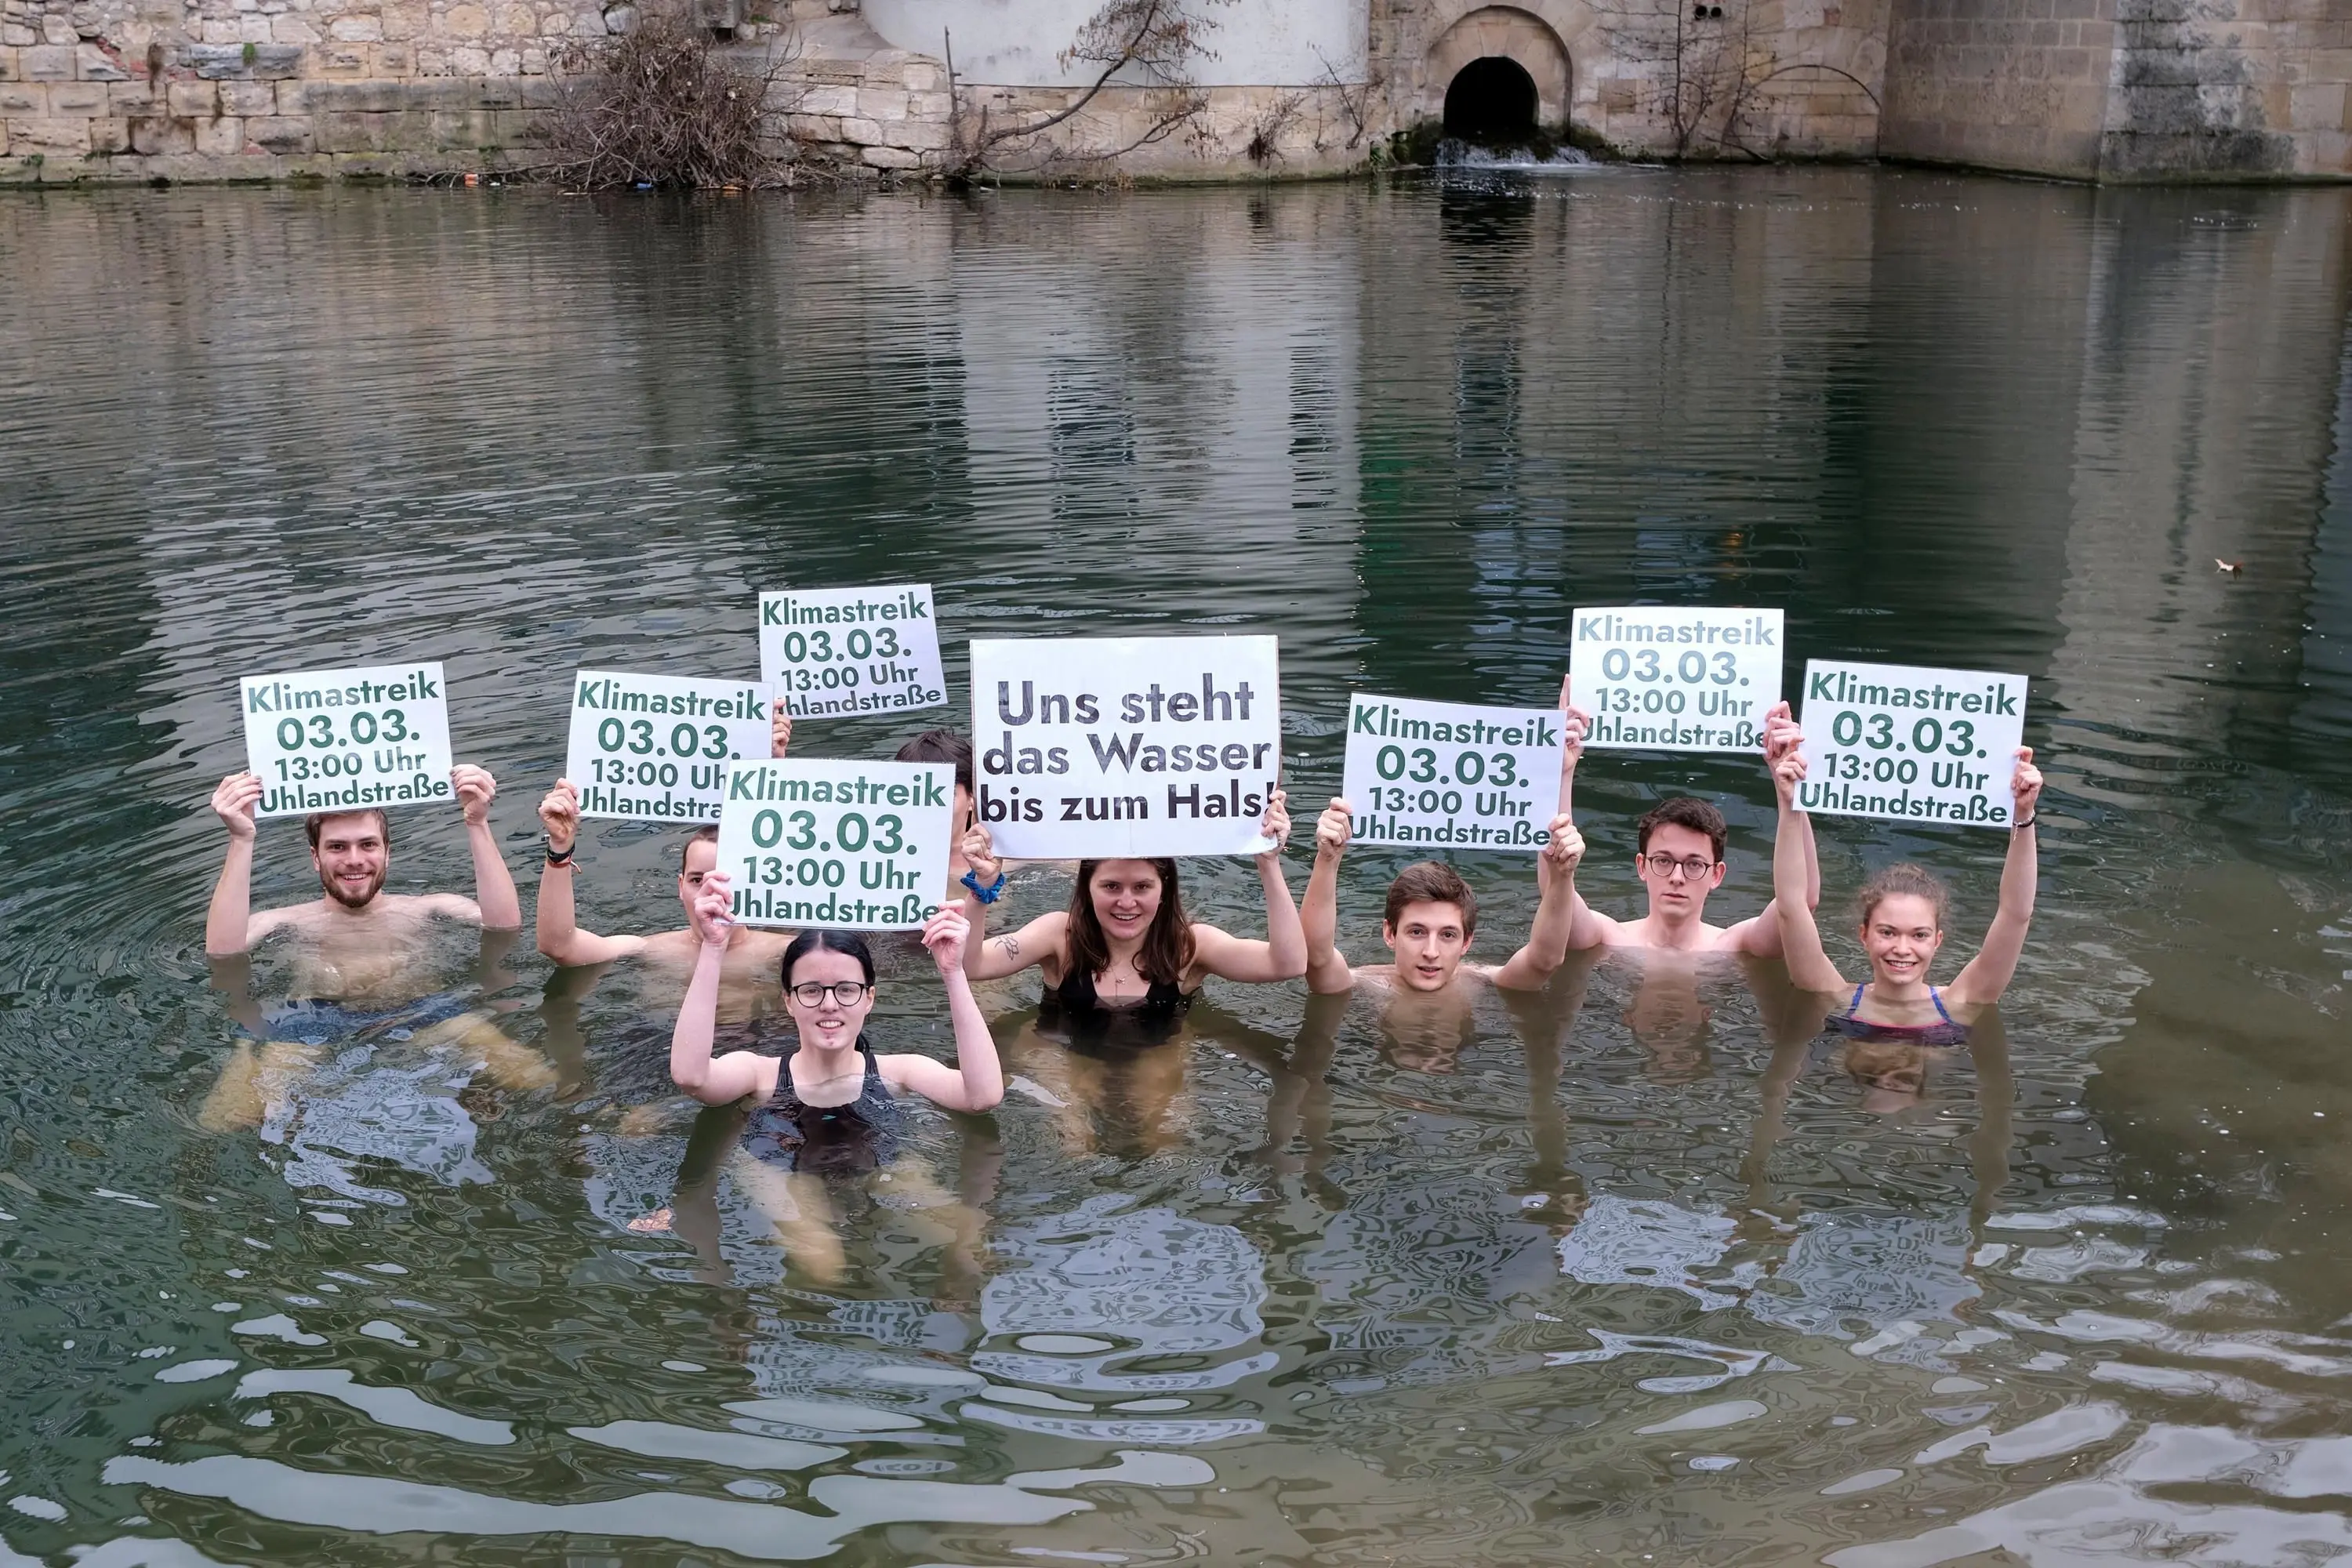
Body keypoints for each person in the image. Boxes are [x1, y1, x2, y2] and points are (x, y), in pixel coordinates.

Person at [1766, 737, 2045, 1076]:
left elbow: (2016, 915)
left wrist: (2024, 815)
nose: (1902, 949)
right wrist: (1789, 803)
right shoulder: (1831, 996)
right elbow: (1791, 906)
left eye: (1919, 935)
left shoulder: (1963, 1002)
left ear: (1937, 940)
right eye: (1887, 932)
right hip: (1851, 1117)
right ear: (1864, 935)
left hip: (1926, 1122)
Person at [953, 792, 1305, 1029]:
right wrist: (981, 891)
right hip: (1065, 1052)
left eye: (1142, 887)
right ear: (1087, 889)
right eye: (1111, 887)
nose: (1126, 902)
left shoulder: (1189, 946)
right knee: (1076, 1137)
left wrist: (1268, 864)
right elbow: (973, 966)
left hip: (1159, 1056)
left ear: (1164, 890)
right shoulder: (1059, 936)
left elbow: (1287, 964)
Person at [533, 706, 794, 971]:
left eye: (724, 880)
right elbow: (559, 946)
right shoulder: (655, 951)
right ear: (680, 887)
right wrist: (560, 845)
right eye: (697, 880)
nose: (711, 894)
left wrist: (770, 768)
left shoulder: (786, 953)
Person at [1557, 697, 1820, 956]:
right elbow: (1557, 890)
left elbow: (1802, 903)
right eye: (1663, 861)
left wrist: (1790, 792)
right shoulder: (1609, 939)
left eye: (1694, 864)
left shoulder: (1734, 946)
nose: (1677, 877)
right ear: (1642, 866)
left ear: (1716, 874)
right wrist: (1562, 771)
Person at [204, 764, 521, 961]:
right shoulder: (284, 923)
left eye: (368, 844)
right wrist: (241, 839)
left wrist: (477, 822)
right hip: (311, 1025)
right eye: (338, 847)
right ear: (316, 857)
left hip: (429, 1015)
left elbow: (504, 925)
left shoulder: (431, 908)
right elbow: (223, 952)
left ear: (388, 852)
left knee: (526, 1069)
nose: (354, 860)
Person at [1301, 800, 1587, 998]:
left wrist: (1562, 876)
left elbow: (1545, 960)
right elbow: (1317, 958)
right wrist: (1328, 858)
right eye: (1416, 932)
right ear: (1389, 933)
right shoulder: (1368, 985)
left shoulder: (1480, 983)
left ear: (1467, 942)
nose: (1431, 951)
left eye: (1448, 935)